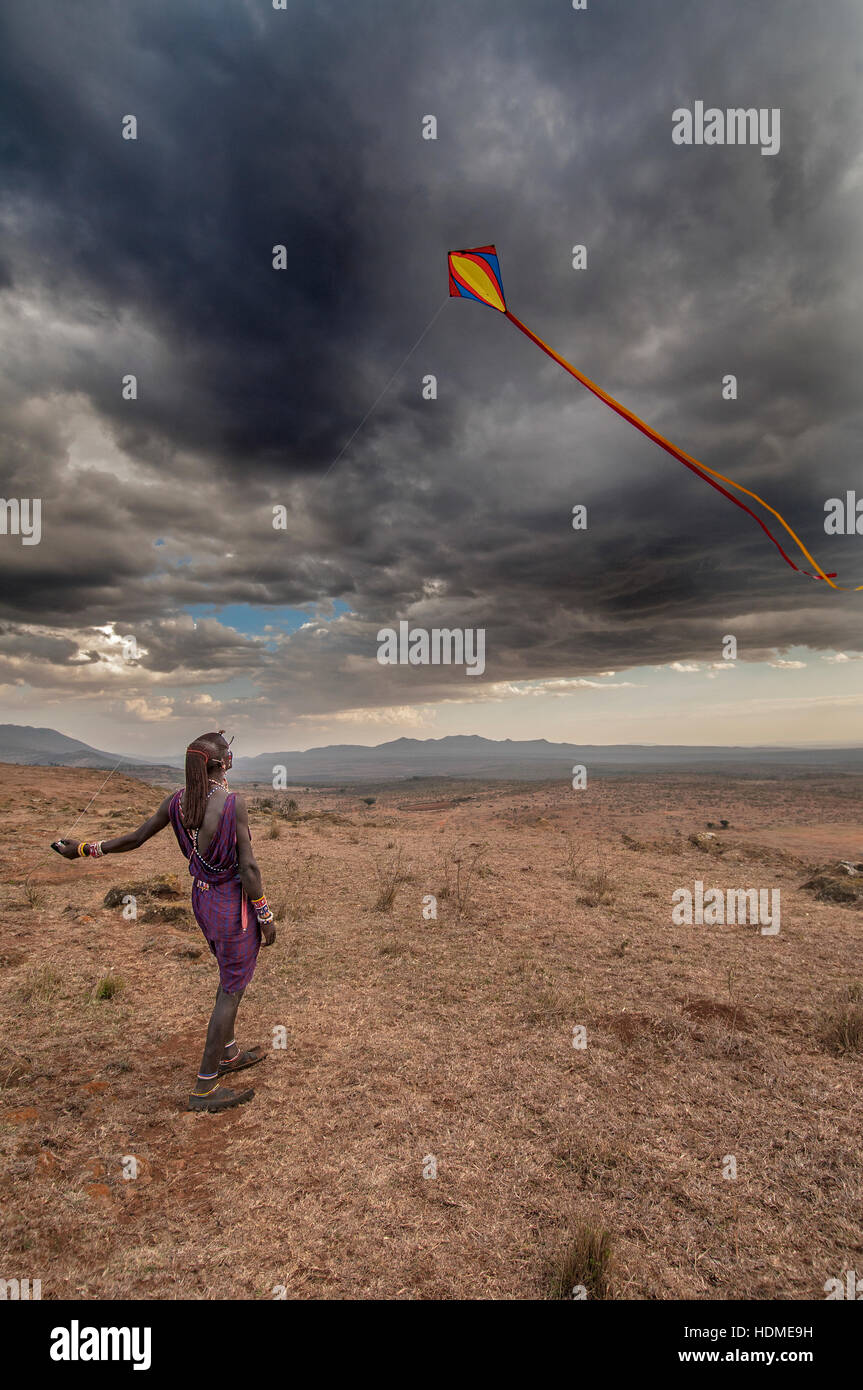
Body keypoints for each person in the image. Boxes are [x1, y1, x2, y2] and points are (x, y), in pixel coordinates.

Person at [51, 730, 276, 1112]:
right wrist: (265, 914)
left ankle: (229, 1054)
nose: (232, 758)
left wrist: (85, 850)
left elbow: (136, 838)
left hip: (202, 899)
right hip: (229, 905)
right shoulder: (231, 803)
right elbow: (249, 867)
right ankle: (205, 1087)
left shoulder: (175, 802)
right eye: (229, 754)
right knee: (231, 988)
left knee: (227, 975)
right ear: (220, 765)